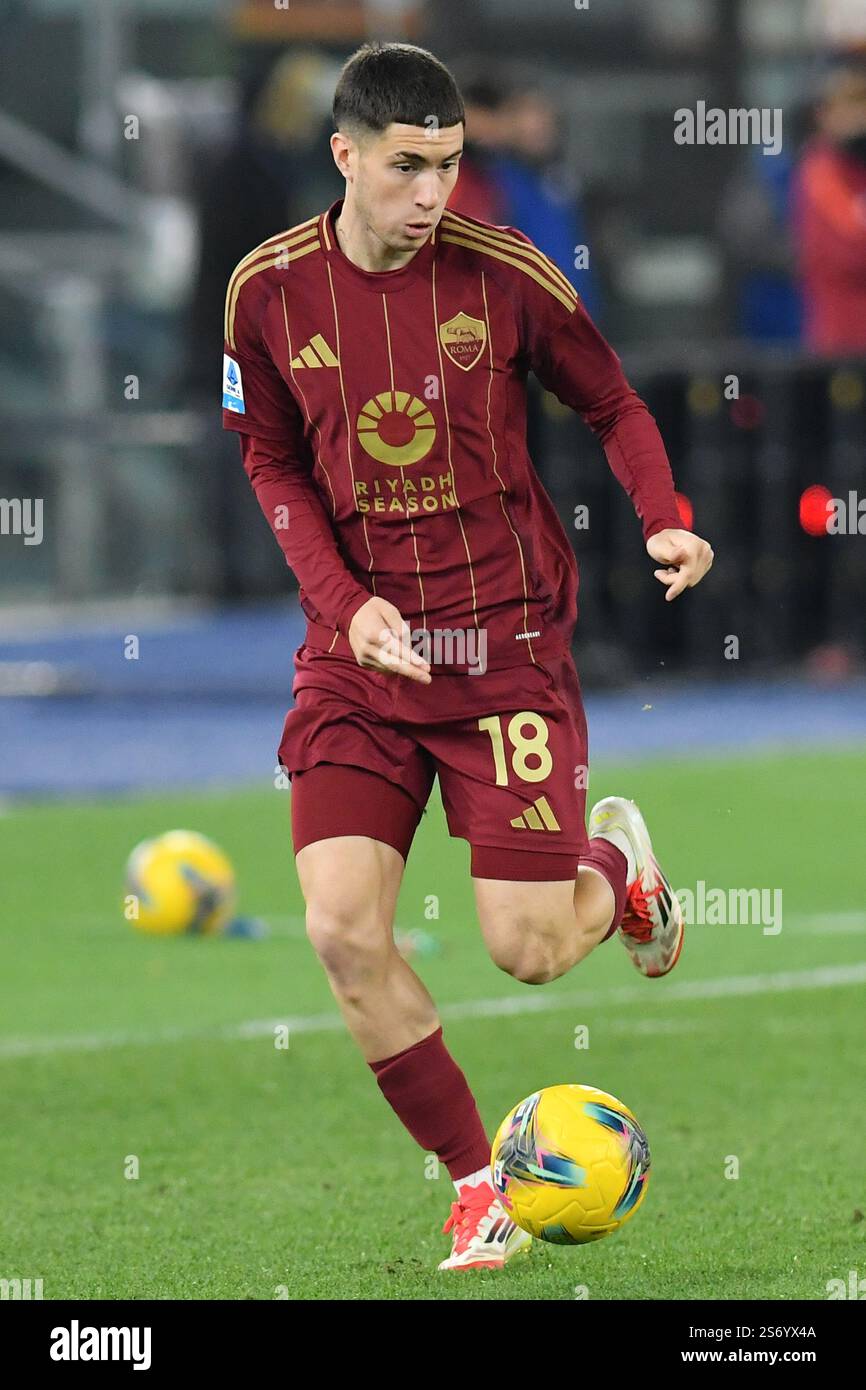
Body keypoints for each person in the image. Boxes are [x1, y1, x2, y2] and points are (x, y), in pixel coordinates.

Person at [221, 42, 713, 1272]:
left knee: (529, 950)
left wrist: (662, 512)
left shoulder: (501, 274)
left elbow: (613, 400)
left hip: (504, 649)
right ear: (345, 157)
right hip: (359, 656)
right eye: (406, 167)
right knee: (340, 929)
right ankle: (474, 1185)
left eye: (448, 164)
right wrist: (340, 604)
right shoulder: (267, 291)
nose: (433, 190)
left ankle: (615, 864)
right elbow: (269, 460)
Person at [795, 66, 866, 354]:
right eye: (849, 104)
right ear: (825, 115)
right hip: (843, 345)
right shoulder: (821, 171)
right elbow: (849, 250)